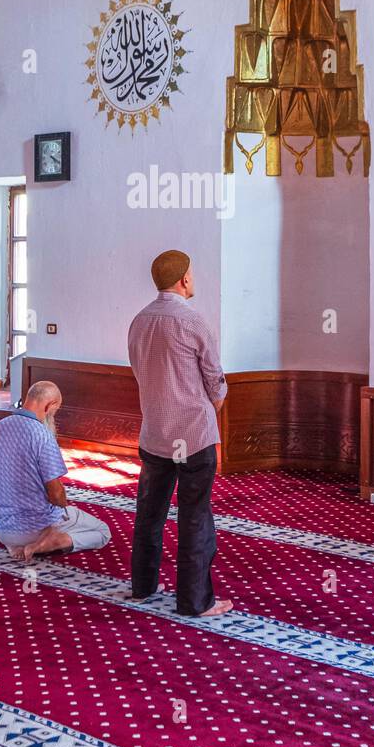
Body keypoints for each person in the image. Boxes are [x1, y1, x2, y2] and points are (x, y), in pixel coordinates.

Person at [127, 249, 232, 617]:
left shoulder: (139, 321)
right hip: (194, 434)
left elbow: (140, 373)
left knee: (149, 512)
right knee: (195, 516)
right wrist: (211, 406)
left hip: (154, 432)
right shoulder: (192, 321)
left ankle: (142, 586)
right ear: (184, 279)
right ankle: (195, 600)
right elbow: (215, 380)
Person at [0, 380, 111, 560]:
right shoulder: (40, 434)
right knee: (102, 531)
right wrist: (62, 505)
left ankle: (16, 546)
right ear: (49, 406)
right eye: (55, 411)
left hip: (2, 529)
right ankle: (52, 542)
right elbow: (56, 495)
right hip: (36, 527)